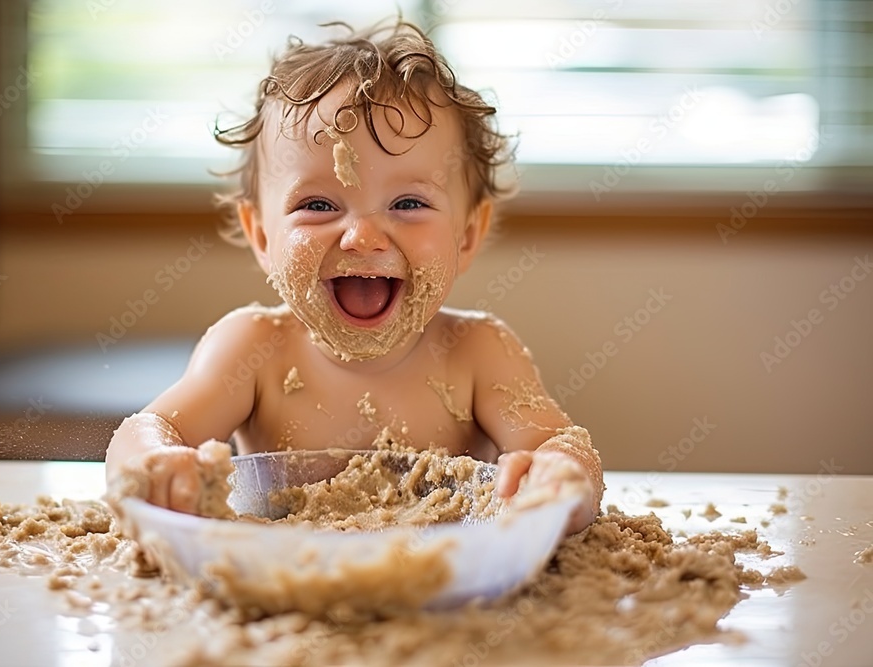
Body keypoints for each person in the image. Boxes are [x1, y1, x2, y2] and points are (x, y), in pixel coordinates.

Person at [105, 19, 603, 534]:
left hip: (440, 590)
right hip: (283, 584)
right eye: (318, 205)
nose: (362, 238)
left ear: (466, 236)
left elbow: (560, 446)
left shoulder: (478, 352)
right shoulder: (252, 350)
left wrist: (562, 480)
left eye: (408, 203)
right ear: (261, 236)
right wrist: (153, 462)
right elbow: (148, 428)